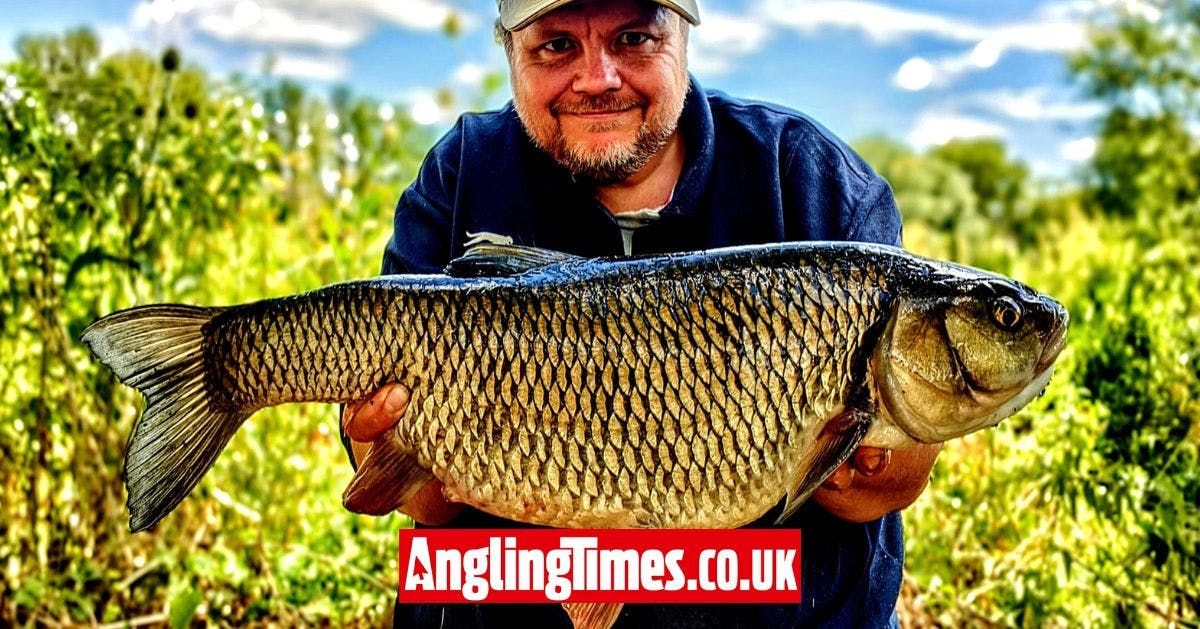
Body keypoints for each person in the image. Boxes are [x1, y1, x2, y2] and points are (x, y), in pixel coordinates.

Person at [340, 0, 942, 625]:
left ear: (683, 37)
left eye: (633, 39)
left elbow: (893, 481)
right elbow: (413, 500)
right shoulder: (461, 170)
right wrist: (402, 457)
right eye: (555, 46)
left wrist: (850, 454)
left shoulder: (811, 180)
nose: (597, 78)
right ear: (510, 53)